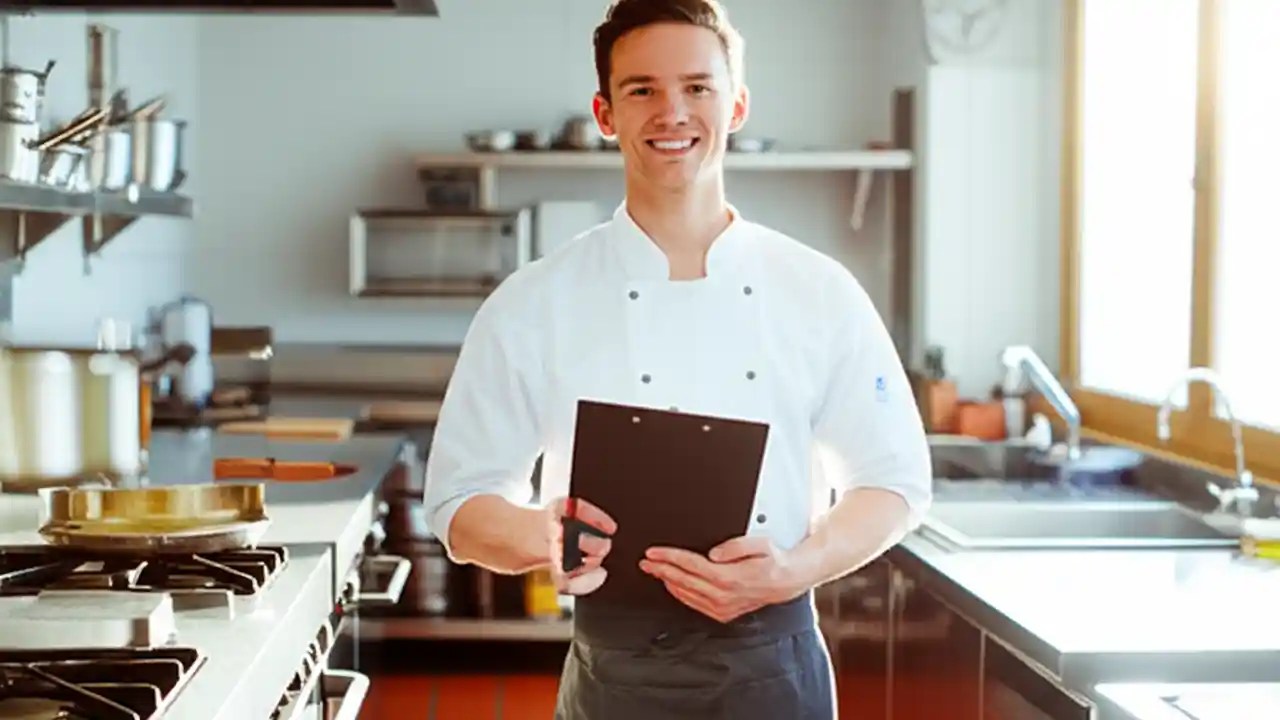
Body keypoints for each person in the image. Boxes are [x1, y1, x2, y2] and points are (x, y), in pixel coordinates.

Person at [422, 0, 933, 717]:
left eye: (697, 87)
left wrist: (794, 568)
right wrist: (537, 533)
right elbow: (458, 502)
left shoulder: (818, 291)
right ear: (605, 113)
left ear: (737, 105)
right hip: (614, 675)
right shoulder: (534, 299)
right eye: (642, 90)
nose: (673, 112)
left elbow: (894, 483)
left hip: (776, 668)